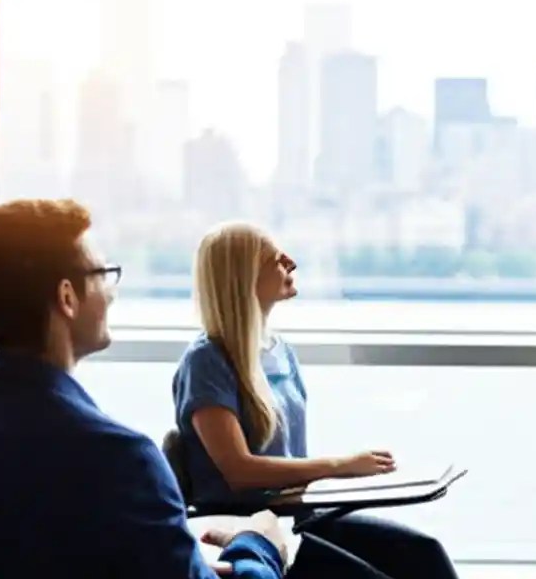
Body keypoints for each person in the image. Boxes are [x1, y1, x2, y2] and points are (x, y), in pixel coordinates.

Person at [0, 199, 379, 579]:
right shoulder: (119, 460)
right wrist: (259, 544)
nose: (112, 290)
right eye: (104, 274)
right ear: (68, 297)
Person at [172, 221, 460, 579]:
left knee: (423, 554)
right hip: (254, 524)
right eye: (276, 259)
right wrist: (339, 466)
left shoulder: (279, 351)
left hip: (298, 515)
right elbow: (239, 471)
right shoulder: (206, 362)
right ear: (245, 276)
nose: (291, 263)